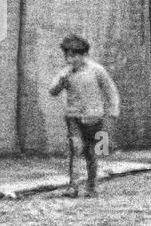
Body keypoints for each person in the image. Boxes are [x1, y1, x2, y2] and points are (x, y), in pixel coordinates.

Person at [49, 34, 120, 197]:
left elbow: (111, 91)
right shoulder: (65, 73)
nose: (70, 59)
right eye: (67, 55)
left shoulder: (97, 70)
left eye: (73, 56)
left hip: (95, 117)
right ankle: (73, 186)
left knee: (92, 153)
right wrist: (61, 82)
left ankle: (92, 186)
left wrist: (113, 111)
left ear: (83, 55)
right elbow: (53, 91)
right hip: (73, 117)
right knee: (76, 148)